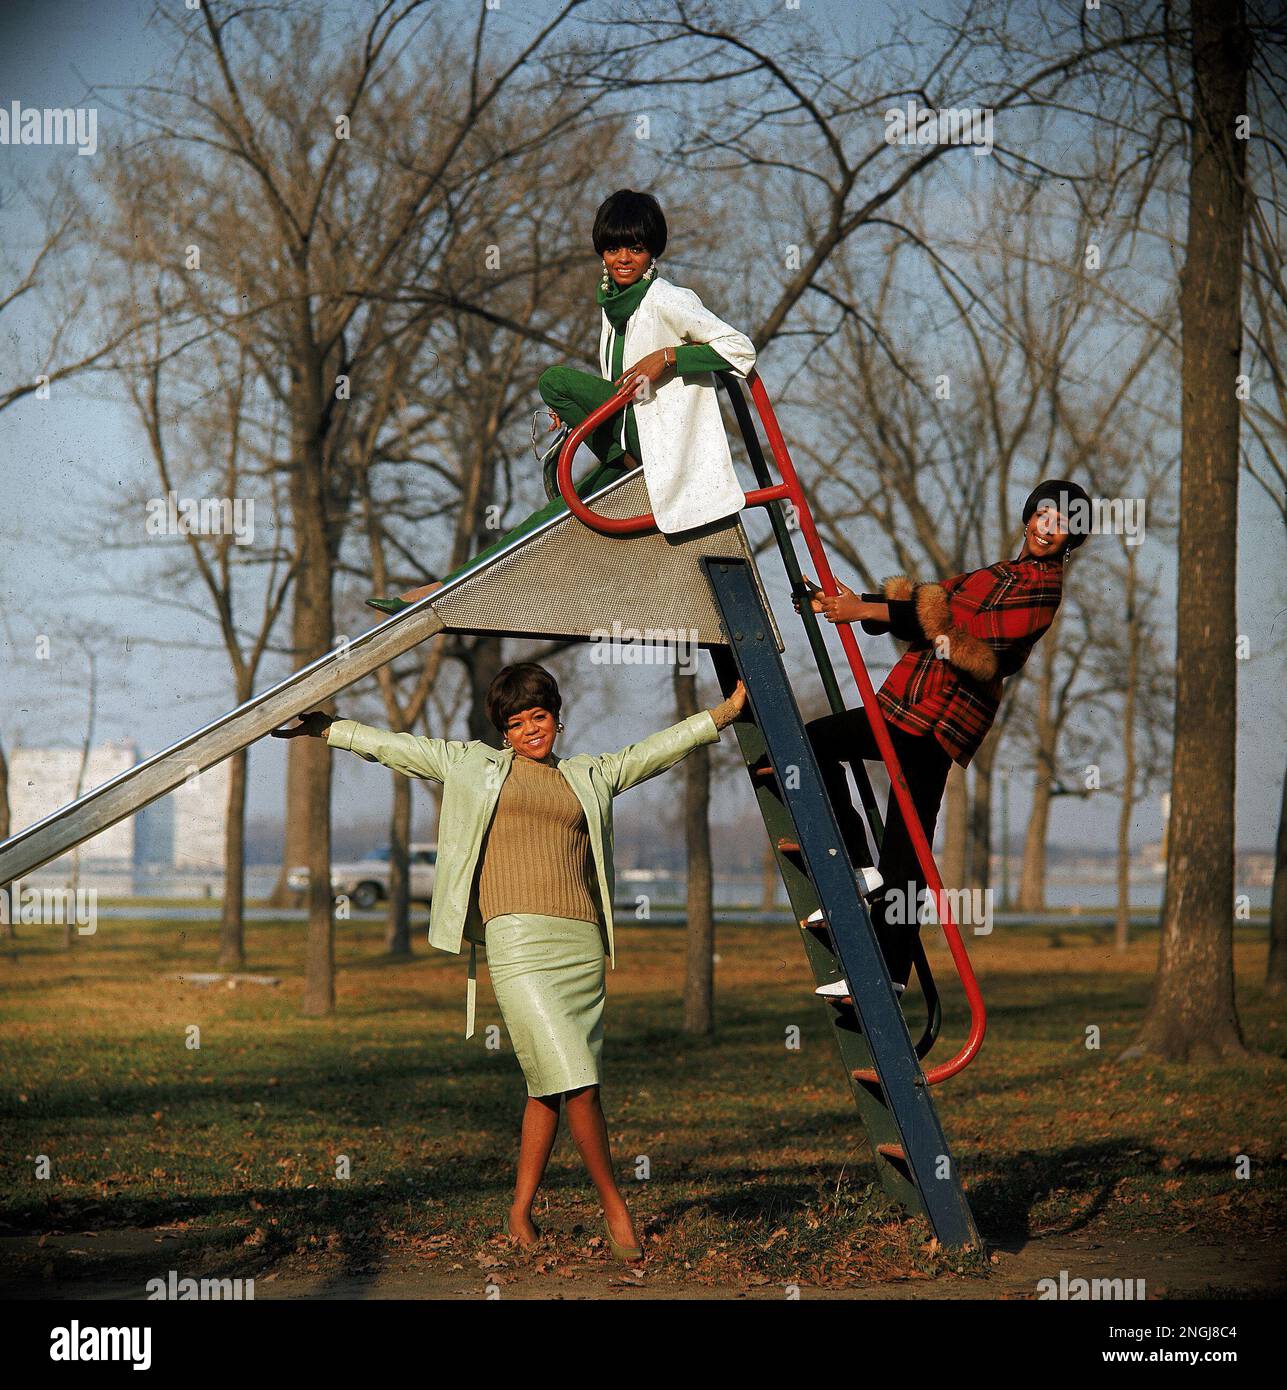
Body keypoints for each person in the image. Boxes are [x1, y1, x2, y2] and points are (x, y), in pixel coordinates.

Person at [273, 663, 747, 1261]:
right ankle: (615, 1206)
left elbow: (654, 751)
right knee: (578, 1081)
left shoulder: (589, 775)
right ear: (503, 730)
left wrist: (723, 715)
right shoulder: (472, 765)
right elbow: (398, 749)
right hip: (518, 944)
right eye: (517, 722)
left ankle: (520, 1208)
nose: (530, 731)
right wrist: (328, 729)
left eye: (539, 717)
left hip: (580, 943)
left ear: (557, 718)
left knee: (548, 1086)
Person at [367, 189, 756, 612]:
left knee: (555, 380)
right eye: (612, 248)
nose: (623, 258)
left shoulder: (669, 300)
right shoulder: (612, 314)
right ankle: (442, 589)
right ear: (600, 253)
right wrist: (581, 416)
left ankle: (622, 459)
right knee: (551, 518)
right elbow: (618, 386)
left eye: (635, 248)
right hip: (630, 438)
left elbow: (741, 350)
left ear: (652, 253)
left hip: (658, 443)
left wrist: (669, 357)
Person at [795, 479, 1091, 995]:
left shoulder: (1043, 588)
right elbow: (932, 603)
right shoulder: (1001, 573)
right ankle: (886, 967)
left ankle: (862, 884)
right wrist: (851, 601)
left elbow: (956, 626)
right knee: (904, 839)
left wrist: (865, 611)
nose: (1049, 529)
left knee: (821, 749)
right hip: (912, 702)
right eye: (1045, 515)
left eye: (1063, 524)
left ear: (1071, 539)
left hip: (937, 716)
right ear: (1029, 518)